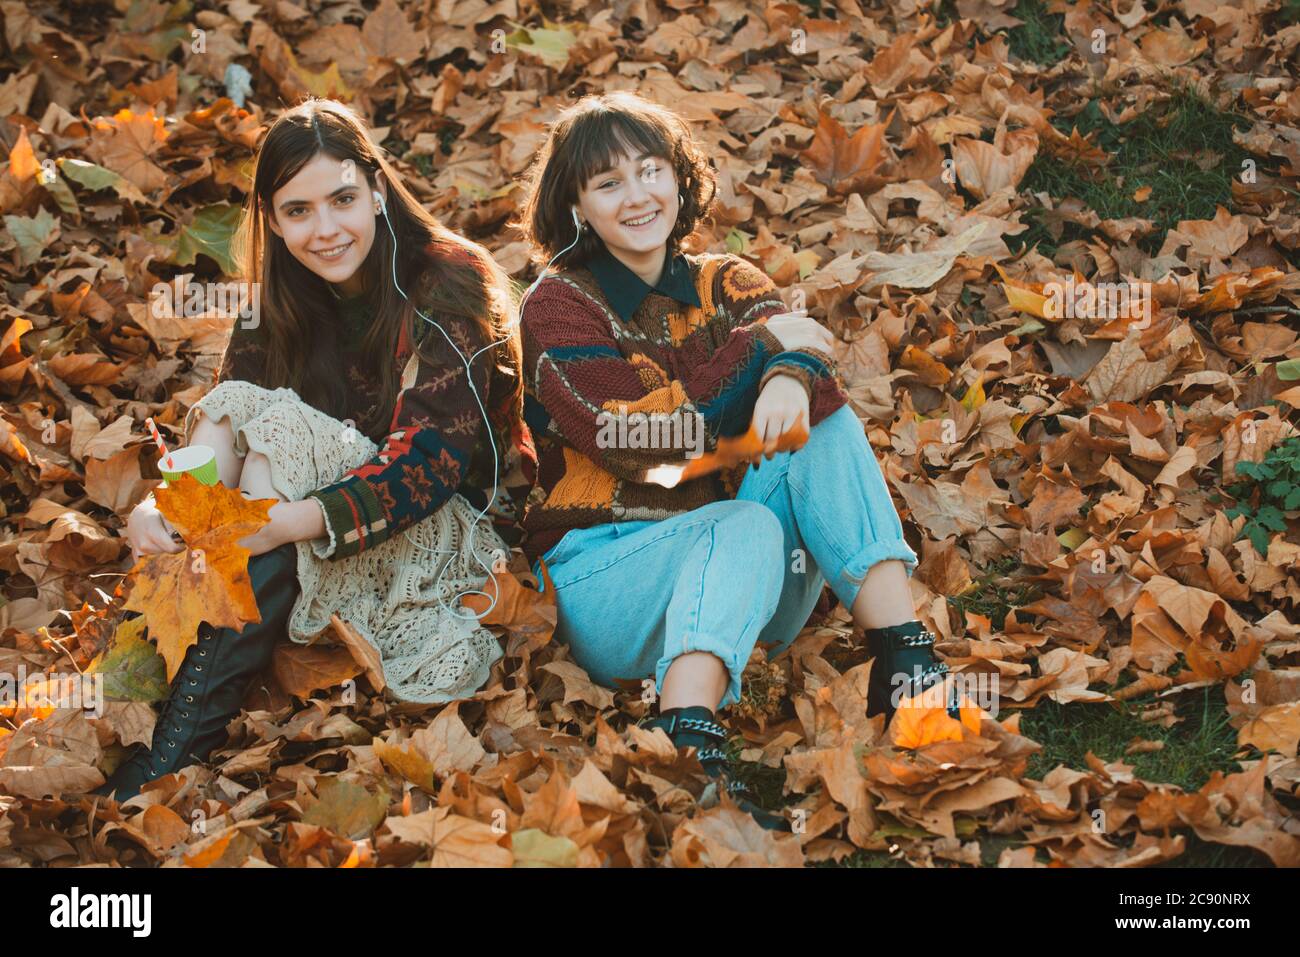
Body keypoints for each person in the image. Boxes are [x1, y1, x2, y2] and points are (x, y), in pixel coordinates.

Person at [512, 92, 958, 829]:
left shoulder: (729, 280)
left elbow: (803, 344)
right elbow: (633, 443)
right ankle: (686, 744)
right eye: (608, 183)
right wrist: (762, 353)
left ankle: (905, 658)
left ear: (680, 179)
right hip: (610, 583)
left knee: (823, 423)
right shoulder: (558, 306)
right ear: (574, 207)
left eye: (651, 169)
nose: (638, 195)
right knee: (741, 522)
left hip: (744, 598)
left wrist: (786, 375)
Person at [98, 98, 536, 801]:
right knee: (247, 421)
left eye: (342, 200)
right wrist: (164, 503)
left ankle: (176, 745)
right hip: (305, 507)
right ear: (271, 218)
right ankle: (134, 698)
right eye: (298, 211)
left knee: (266, 445)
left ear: (378, 189)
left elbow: (429, 466)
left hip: (441, 528)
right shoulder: (276, 296)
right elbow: (231, 412)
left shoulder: (448, 281)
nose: (325, 230)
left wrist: (274, 521)